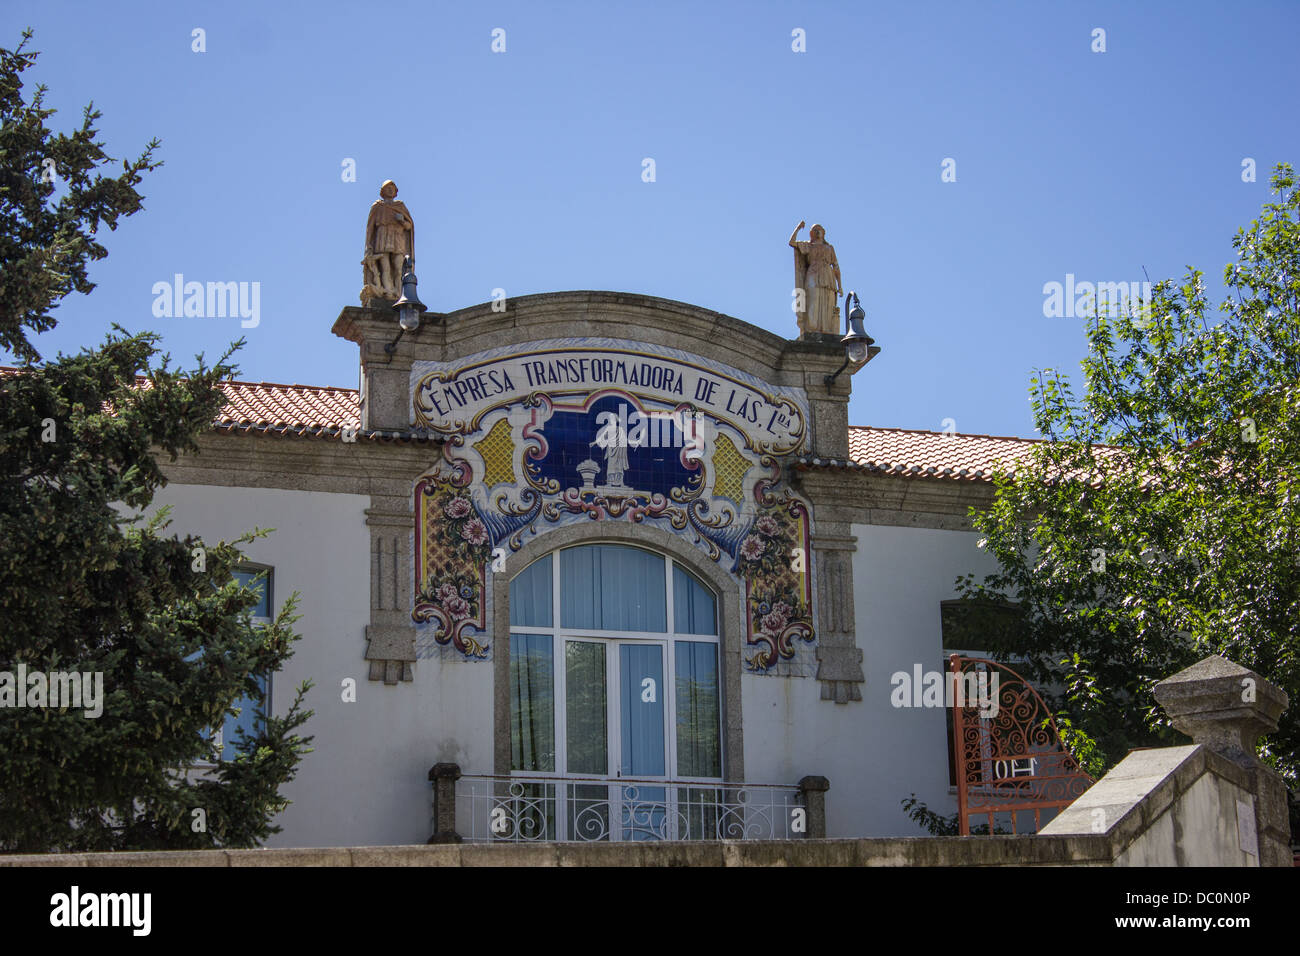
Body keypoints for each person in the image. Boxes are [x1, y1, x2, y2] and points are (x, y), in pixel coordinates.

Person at [363, 180, 415, 301]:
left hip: (397, 238)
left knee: (398, 267)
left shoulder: (400, 206)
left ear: (396, 191)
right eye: (387, 188)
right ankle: (388, 291)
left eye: (392, 188)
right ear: (382, 191)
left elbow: (409, 226)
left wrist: (402, 220)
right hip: (382, 238)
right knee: (385, 267)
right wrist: (368, 247)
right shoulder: (377, 206)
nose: (390, 190)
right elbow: (370, 228)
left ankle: (399, 292)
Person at [789, 220, 843, 335]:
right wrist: (798, 228)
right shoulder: (808, 246)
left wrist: (840, 286)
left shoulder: (829, 248)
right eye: (815, 229)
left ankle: (828, 330)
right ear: (811, 233)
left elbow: (836, 267)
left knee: (828, 304)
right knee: (813, 301)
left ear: (823, 233)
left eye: (820, 229)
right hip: (812, 275)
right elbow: (792, 242)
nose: (818, 231)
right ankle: (811, 330)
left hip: (828, 277)